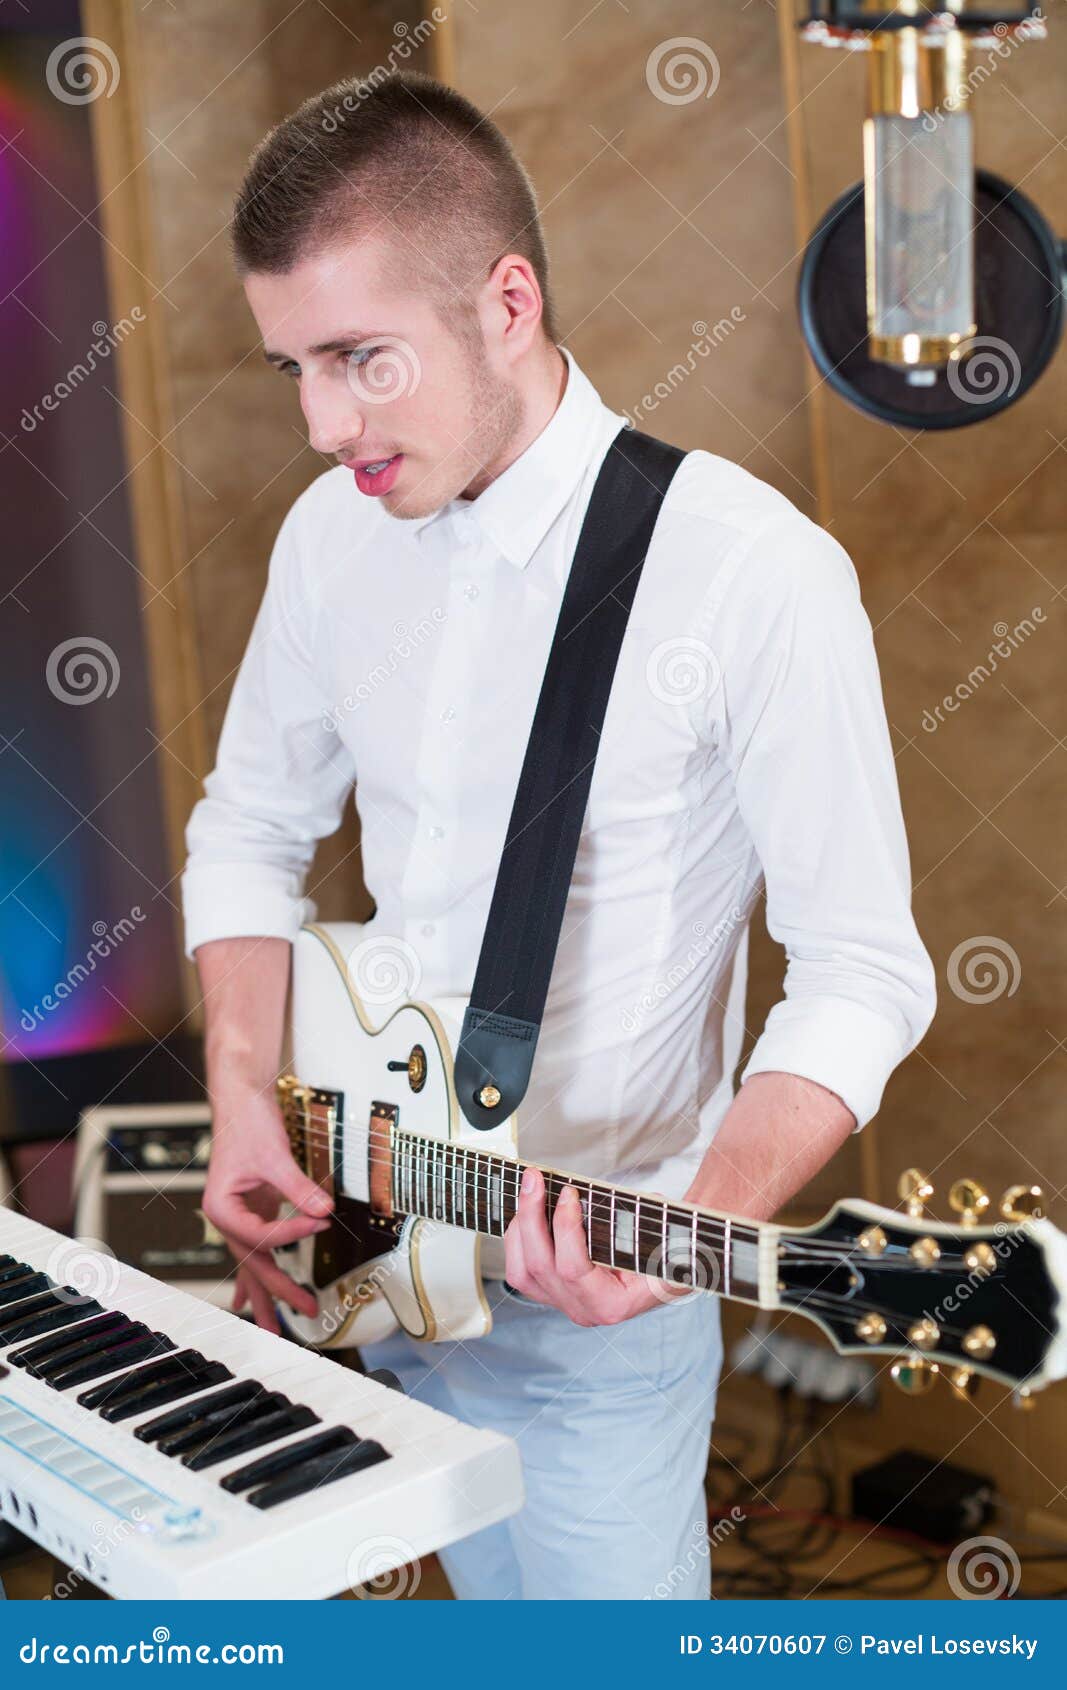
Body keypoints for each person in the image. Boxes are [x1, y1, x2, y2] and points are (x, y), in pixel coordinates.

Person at [184, 70, 936, 1601]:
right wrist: (243, 1093)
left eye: (359, 360)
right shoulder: (331, 541)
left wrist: (698, 1227)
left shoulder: (750, 574)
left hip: (600, 1321)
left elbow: (864, 972)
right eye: (293, 370)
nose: (325, 425)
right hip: (362, 1253)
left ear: (506, 300)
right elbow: (248, 832)